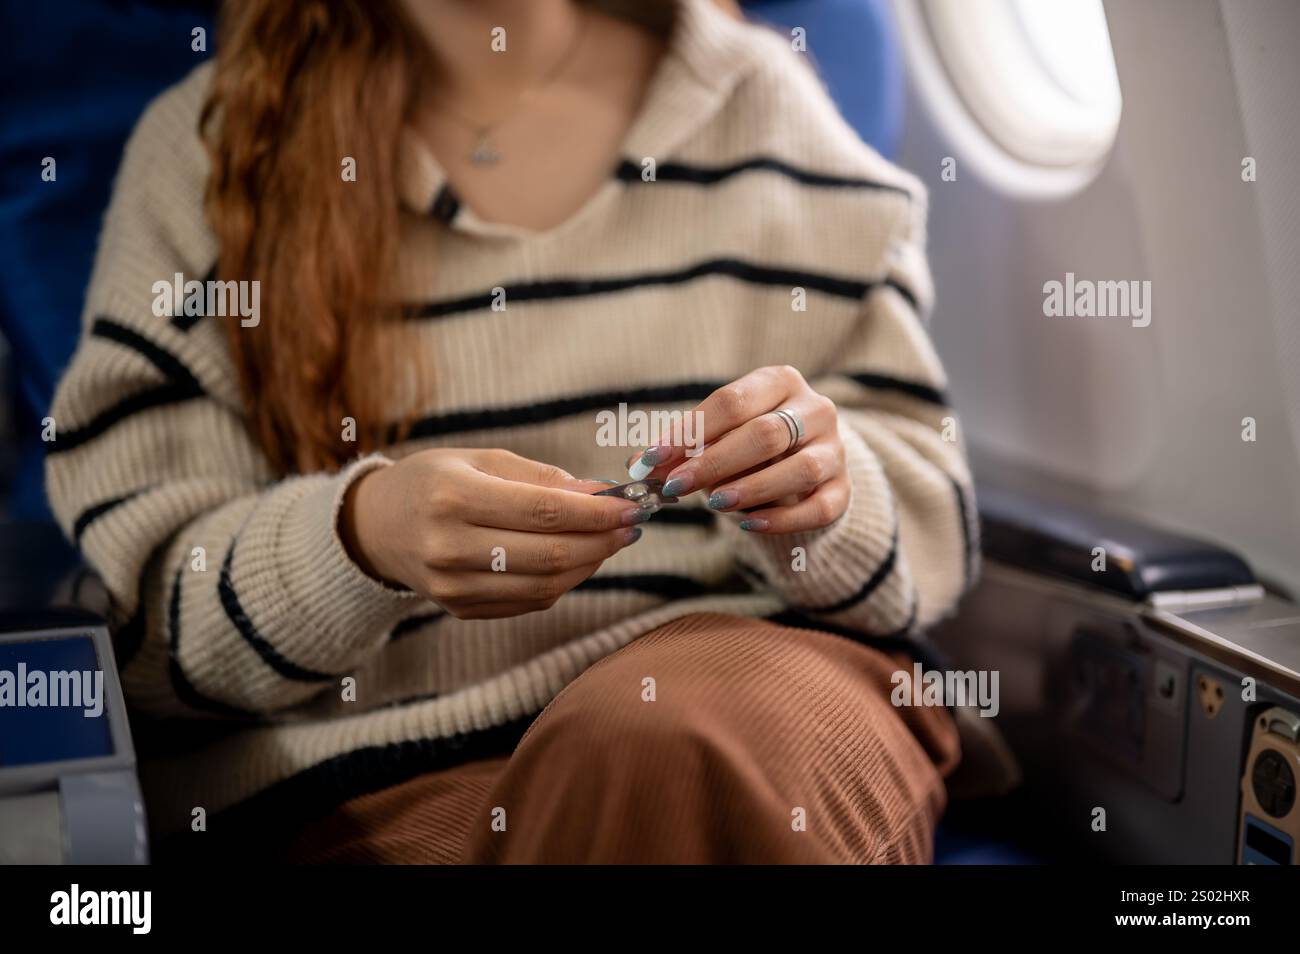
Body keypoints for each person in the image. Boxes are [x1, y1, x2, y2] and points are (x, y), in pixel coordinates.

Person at [47, 0, 974, 863]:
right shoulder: (206, 156)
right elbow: (146, 637)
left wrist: (821, 492)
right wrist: (361, 540)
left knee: (656, 751)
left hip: (746, 702)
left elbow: (930, 526)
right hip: (374, 780)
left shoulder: (763, 106)